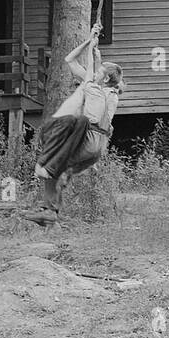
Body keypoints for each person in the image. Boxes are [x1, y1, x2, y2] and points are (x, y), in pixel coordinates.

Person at [34, 24, 123, 212]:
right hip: (98, 148)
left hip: (88, 139)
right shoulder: (112, 93)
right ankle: (51, 211)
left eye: (99, 71)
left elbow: (81, 68)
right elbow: (72, 61)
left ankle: (49, 210)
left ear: (104, 78)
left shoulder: (94, 88)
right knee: (61, 171)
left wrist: (90, 45)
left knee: (52, 165)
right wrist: (93, 49)